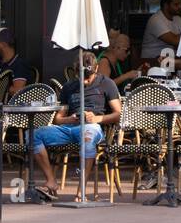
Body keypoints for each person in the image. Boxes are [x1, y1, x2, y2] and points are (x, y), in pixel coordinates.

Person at [31, 52, 121, 200]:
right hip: (69, 127)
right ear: (75, 71)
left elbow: (118, 114)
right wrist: (69, 119)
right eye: (82, 77)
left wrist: (96, 118)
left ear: (96, 69)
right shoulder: (69, 87)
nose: (85, 81)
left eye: (88, 77)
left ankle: (82, 191)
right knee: (34, 134)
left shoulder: (107, 83)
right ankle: (51, 181)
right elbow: (58, 119)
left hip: (92, 127)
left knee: (88, 136)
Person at [141, 0, 181, 66]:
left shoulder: (178, 19)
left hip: (169, 60)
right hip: (151, 61)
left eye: (180, 4)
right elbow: (175, 41)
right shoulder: (156, 20)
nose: (180, 7)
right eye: (176, 4)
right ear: (166, 5)